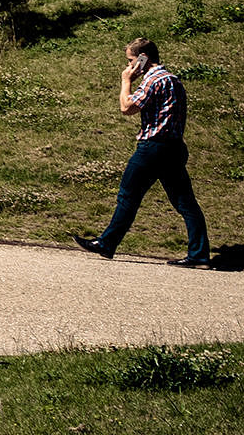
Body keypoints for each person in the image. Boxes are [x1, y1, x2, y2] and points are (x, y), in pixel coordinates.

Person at [75, 36, 212, 267]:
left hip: (152, 148)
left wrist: (126, 80)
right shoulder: (173, 80)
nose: (128, 65)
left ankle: (106, 243)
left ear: (142, 59)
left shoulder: (153, 80)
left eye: (130, 60)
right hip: (174, 148)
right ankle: (199, 253)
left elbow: (126, 108)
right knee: (186, 203)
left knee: (128, 196)